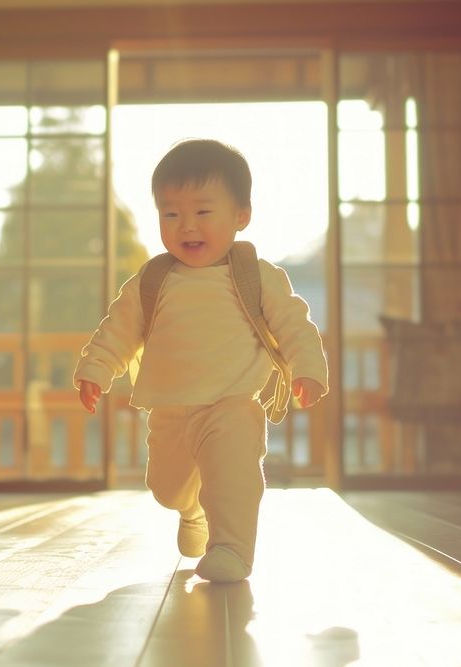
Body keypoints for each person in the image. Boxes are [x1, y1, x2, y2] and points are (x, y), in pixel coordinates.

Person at [73, 139, 328, 583]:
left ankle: (231, 549)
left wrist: (307, 366)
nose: (186, 225)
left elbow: (294, 323)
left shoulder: (254, 273)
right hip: (170, 407)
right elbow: (118, 328)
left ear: (241, 216)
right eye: (171, 214)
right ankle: (192, 511)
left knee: (231, 479)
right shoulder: (153, 279)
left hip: (232, 403)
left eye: (203, 212)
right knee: (166, 488)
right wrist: (96, 370)